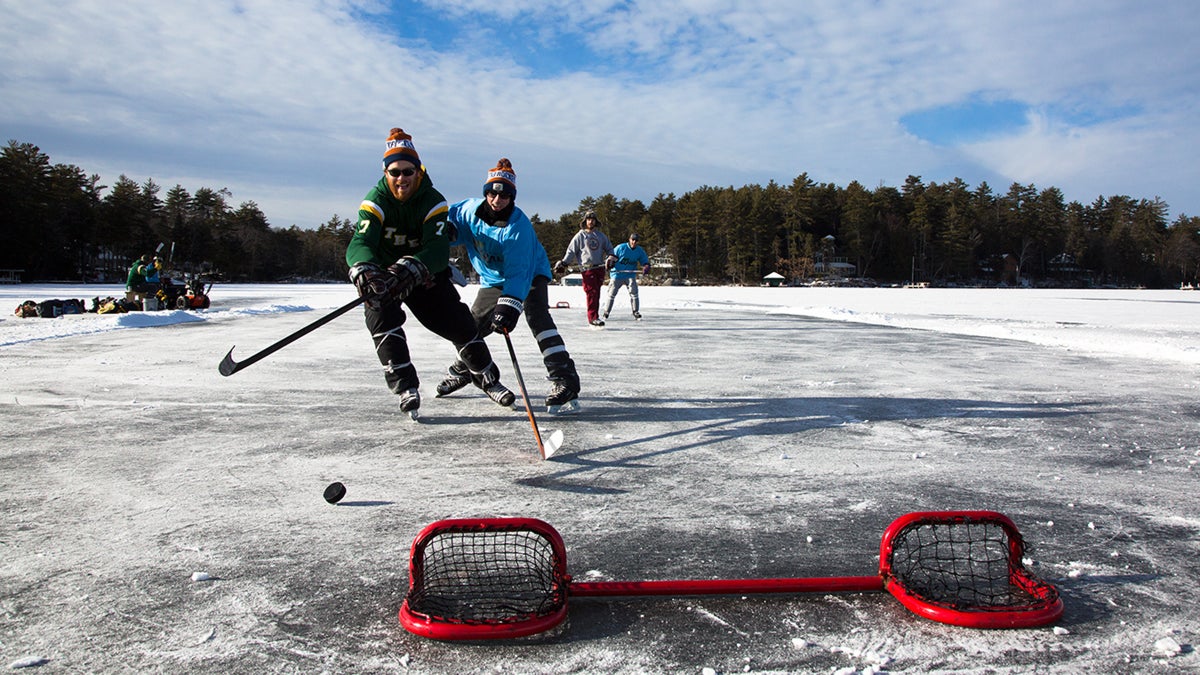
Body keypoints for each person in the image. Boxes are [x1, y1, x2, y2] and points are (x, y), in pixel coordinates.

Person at [345, 128, 514, 416]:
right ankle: (405, 387)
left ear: (418, 170)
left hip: (422, 273)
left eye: (408, 171)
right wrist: (363, 268)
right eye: (394, 172)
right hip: (385, 276)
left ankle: (487, 378)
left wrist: (413, 266)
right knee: (382, 321)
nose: (402, 179)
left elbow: (437, 248)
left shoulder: (432, 200)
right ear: (385, 172)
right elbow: (361, 241)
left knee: (459, 323)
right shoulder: (375, 201)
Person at [437, 158, 581, 413]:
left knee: (537, 317)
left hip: (530, 272)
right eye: (492, 193)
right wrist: (441, 234)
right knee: (469, 327)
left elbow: (518, 272)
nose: (497, 200)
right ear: (486, 193)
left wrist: (510, 304)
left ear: (512, 198)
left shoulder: (518, 228)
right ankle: (465, 369)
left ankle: (565, 379)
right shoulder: (470, 210)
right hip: (493, 278)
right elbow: (449, 222)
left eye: (504, 196)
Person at [554, 210, 614, 326]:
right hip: (587, 269)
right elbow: (571, 251)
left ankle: (595, 315)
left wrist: (610, 258)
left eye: (593, 220)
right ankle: (592, 318)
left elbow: (610, 249)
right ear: (585, 221)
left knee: (596, 293)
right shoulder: (580, 236)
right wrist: (564, 262)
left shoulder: (601, 236)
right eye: (588, 219)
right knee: (591, 292)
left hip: (599, 268)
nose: (590, 222)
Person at [602, 232, 651, 321]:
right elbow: (611, 256)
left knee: (634, 293)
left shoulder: (639, 251)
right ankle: (606, 312)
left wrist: (646, 266)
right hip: (617, 274)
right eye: (632, 240)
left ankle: (635, 311)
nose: (634, 242)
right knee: (611, 294)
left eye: (636, 241)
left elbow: (645, 261)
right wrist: (609, 262)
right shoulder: (621, 248)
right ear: (629, 239)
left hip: (630, 275)